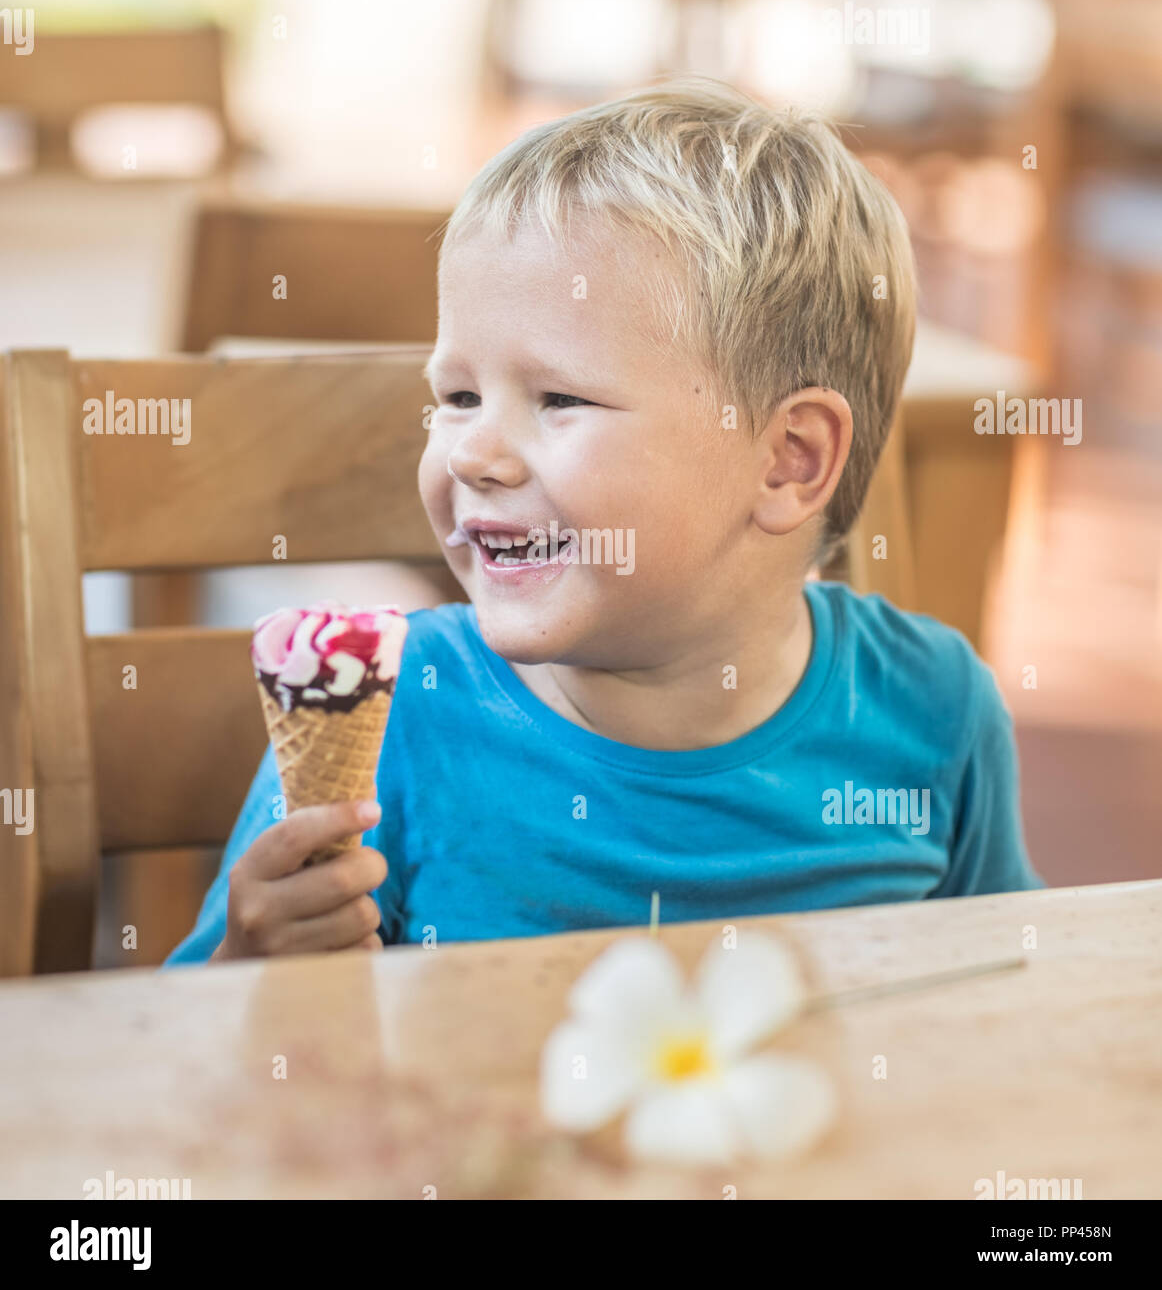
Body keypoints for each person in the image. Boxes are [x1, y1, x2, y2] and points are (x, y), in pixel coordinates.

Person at [165, 77, 1041, 965]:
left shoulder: (933, 708)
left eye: (558, 399)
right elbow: (183, 1062)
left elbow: (1008, 999)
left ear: (790, 461)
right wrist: (253, 962)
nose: (472, 454)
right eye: (458, 395)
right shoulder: (392, 716)